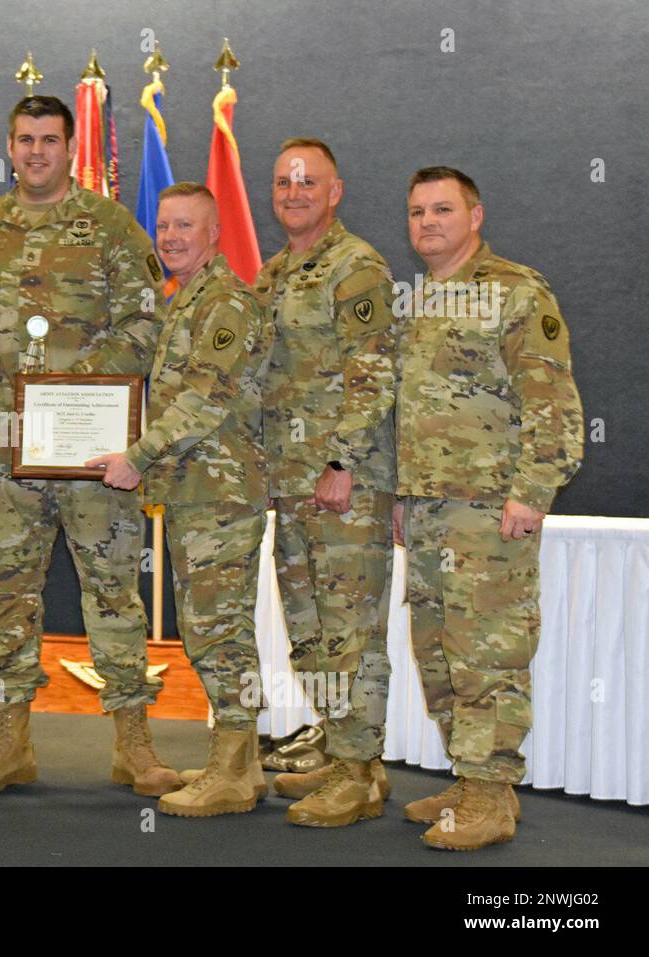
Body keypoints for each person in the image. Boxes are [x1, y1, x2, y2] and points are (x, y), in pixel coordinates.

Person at [0, 95, 176, 796]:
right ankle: (9, 739)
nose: (36, 151)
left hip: (89, 447)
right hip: (4, 450)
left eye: (50, 139)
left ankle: (134, 741)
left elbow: (146, 322)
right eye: (25, 139)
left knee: (112, 592)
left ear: (70, 145)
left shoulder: (109, 226)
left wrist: (71, 385)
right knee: (6, 594)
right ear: (10, 146)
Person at [396, 166, 583, 850]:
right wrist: (402, 496)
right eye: (417, 212)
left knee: (488, 650)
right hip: (428, 510)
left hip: (487, 512)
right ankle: (471, 777)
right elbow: (410, 414)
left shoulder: (514, 290)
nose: (428, 222)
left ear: (475, 215)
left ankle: (491, 792)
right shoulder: (421, 299)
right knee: (439, 647)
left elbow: (554, 406)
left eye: (443, 209)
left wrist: (532, 492)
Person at [88, 183, 272, 816]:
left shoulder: (226, 303)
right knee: (211, 631)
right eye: (163, 226)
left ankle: (233, 769)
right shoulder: (186, 300)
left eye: (185, 226)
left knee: (220, 634)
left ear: (215, 233)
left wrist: (136, 458)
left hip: (219, 496)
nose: (169, 237)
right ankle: (237, 762)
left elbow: (203, 399)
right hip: (196, 493)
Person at [252, 138, 397, 826]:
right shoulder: (275, 272)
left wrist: (344, 461)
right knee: (311, 634)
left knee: (351, 634)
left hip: (342, 485)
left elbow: (374, 371)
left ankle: (358, 769)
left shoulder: (356, 266)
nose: (294, 192)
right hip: (289, 485)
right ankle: (350, 764)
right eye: (283, 182)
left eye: (308, 182)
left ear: (334, 191)